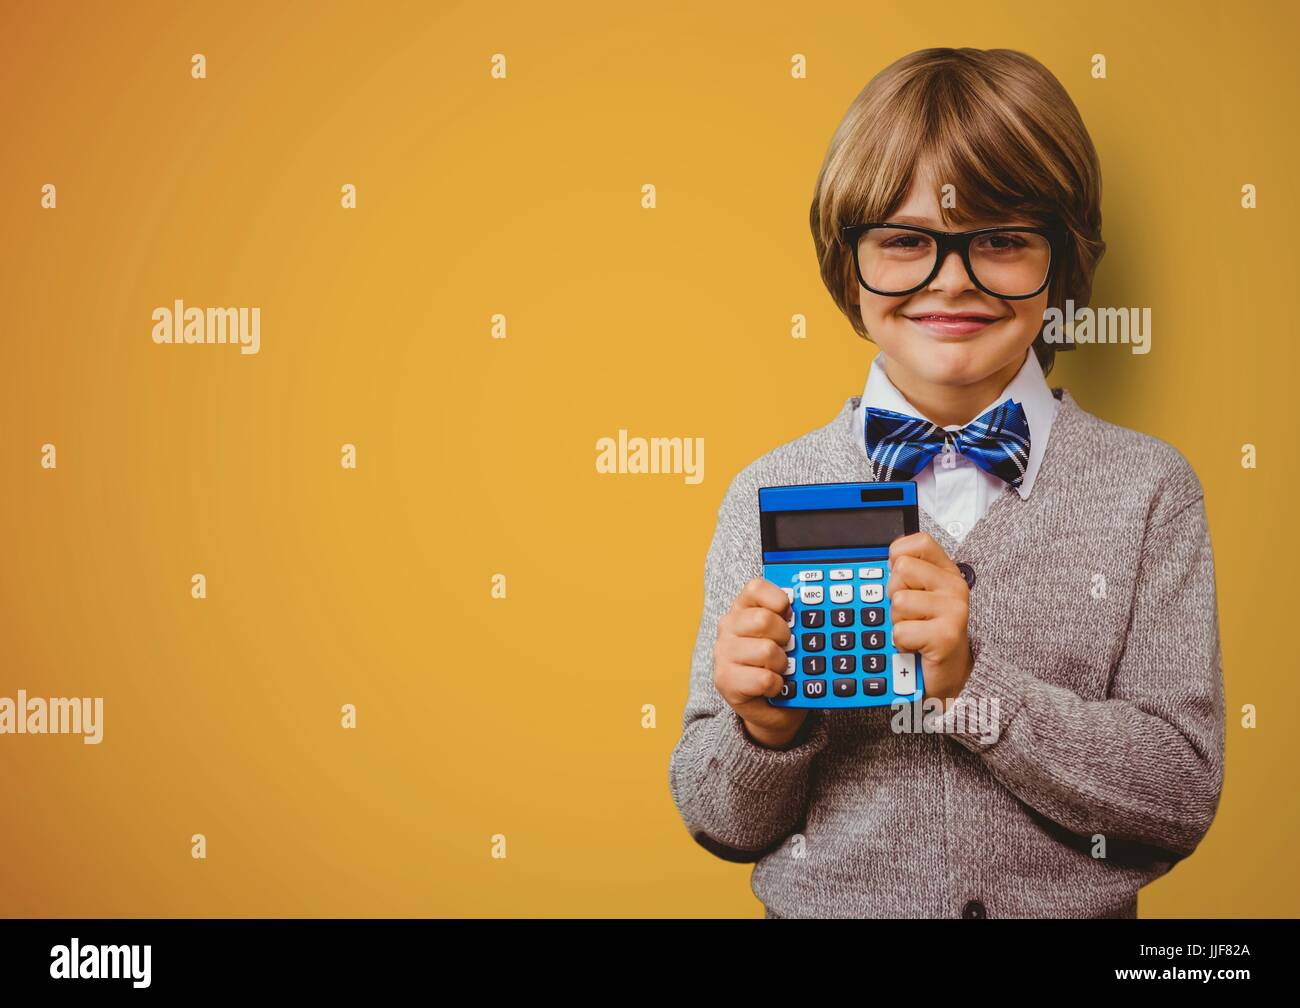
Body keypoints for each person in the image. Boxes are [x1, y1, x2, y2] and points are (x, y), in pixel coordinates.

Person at [668, 47, 1225, 918]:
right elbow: (719, 821)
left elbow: (1181, 796)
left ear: (1065, 256)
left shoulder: (1149, 492)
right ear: (848, 261)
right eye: (904, 241)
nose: (953, 279)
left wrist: (975, 687)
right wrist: (763, 731)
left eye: (1001, 241)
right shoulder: (767, 490)